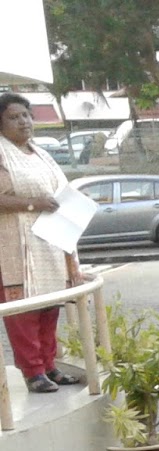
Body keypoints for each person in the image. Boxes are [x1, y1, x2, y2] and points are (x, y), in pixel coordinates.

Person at [0, 93, 86, 394]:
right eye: (13, 117)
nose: (23, 121)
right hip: (14, 247)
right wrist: (32, 203)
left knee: (49, 307)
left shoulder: (40, 153)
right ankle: (32, 371)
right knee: (24, 312)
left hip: (49, 242)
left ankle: (49, 365)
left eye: (26, 115)